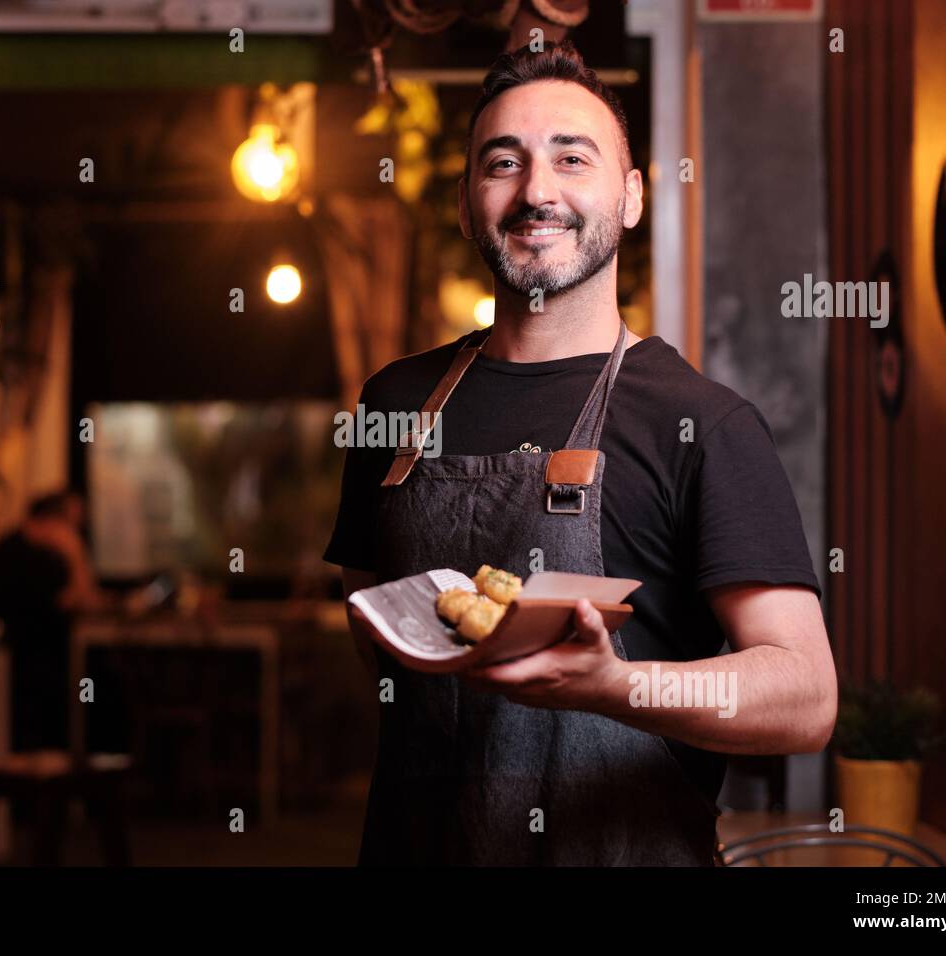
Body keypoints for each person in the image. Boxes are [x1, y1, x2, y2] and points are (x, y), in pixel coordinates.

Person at [324, 41, 837, 866]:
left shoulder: (702, 424)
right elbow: (368, 617)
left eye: (572, 158)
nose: (537, 192)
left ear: (631, 196)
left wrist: (617, 687)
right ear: (466, 203)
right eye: (504, 163)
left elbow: (807, 696)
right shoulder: (394, 405)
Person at [0, 490, 105, 752]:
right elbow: (87, 603)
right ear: (52, 522)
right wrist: (75, 553)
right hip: (28, 667)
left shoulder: (13, 544)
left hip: (25, 662)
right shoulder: (31, 555)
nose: (75, 532)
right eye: (72, 525)